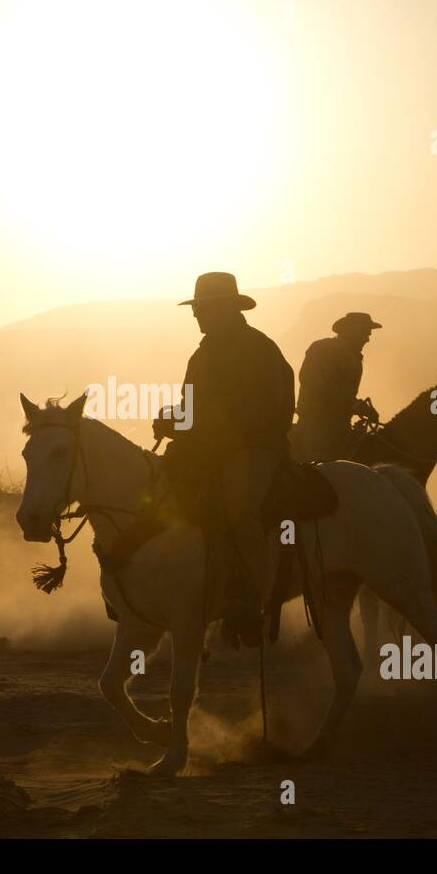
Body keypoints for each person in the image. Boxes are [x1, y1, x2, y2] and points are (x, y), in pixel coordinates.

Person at [153, 272, 295, 648]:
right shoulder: (201, 356)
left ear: (225, 309)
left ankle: (252, 600)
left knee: (239, 512)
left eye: (202, 309)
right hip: (208, 449)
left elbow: (266, 409)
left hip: (254, 449)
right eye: (196, 310)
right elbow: (191, 407)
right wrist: (173, 420)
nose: (197, 317)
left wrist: (201, 428)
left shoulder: (259, 350)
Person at [293, 311, 382, 461]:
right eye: (365, 333)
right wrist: (355, 405)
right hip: (316, 426)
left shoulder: (355, 359)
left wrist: (355, 406)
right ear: (353, 331)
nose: (367, 339)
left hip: (340, 427)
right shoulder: (322, 349)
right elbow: (317, 385)